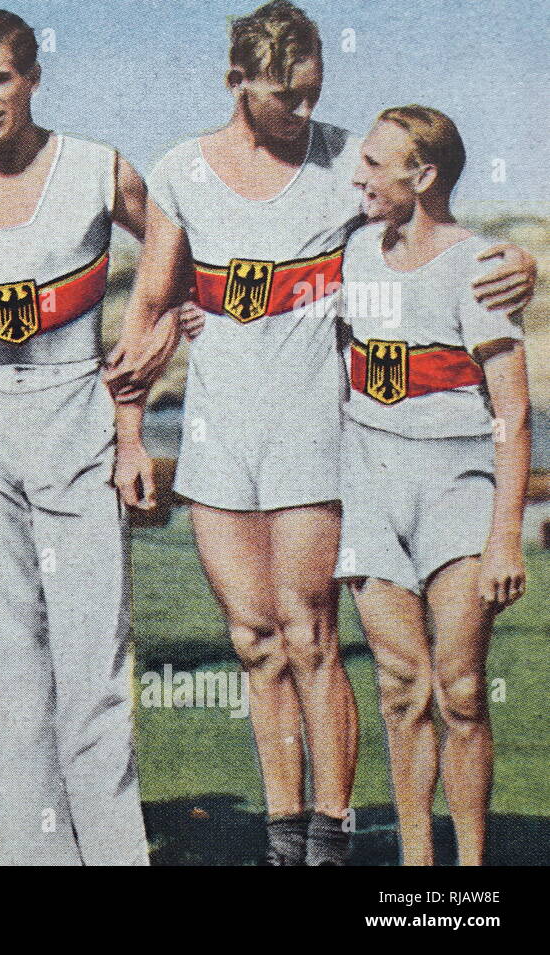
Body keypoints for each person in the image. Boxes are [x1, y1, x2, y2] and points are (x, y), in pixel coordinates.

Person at [107, 0, 537, 864]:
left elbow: (439, 223)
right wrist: (128, 437)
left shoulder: (349, 157)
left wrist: (517, 261)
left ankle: (332, 834)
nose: (304, 115)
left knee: (309, 633)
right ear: (237, 83)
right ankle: (281, 832)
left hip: (319, 432)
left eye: (313, 94)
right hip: (218, 434)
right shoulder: (182, 170)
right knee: (253, 640)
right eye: (285, 99)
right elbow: (151, 307)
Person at [0, 10, 157, 865]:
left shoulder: (97, 168)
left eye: (0, 78)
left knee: (91, 668)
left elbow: (176, 259)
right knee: (7, 673)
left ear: (33, 78)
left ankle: (116, 855)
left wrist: (143, 377)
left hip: (74, 412)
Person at [337, 106, 528, 866]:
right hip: (369, 484)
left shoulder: (478, 264)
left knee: (461, 689)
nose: (360, 175)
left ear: (423, 177)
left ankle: (470, 875)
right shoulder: (353, 250)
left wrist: (506, 535)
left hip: (458, 488)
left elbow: (512, 409)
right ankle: (418, 874)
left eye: (378, 164)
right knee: (401, 686)